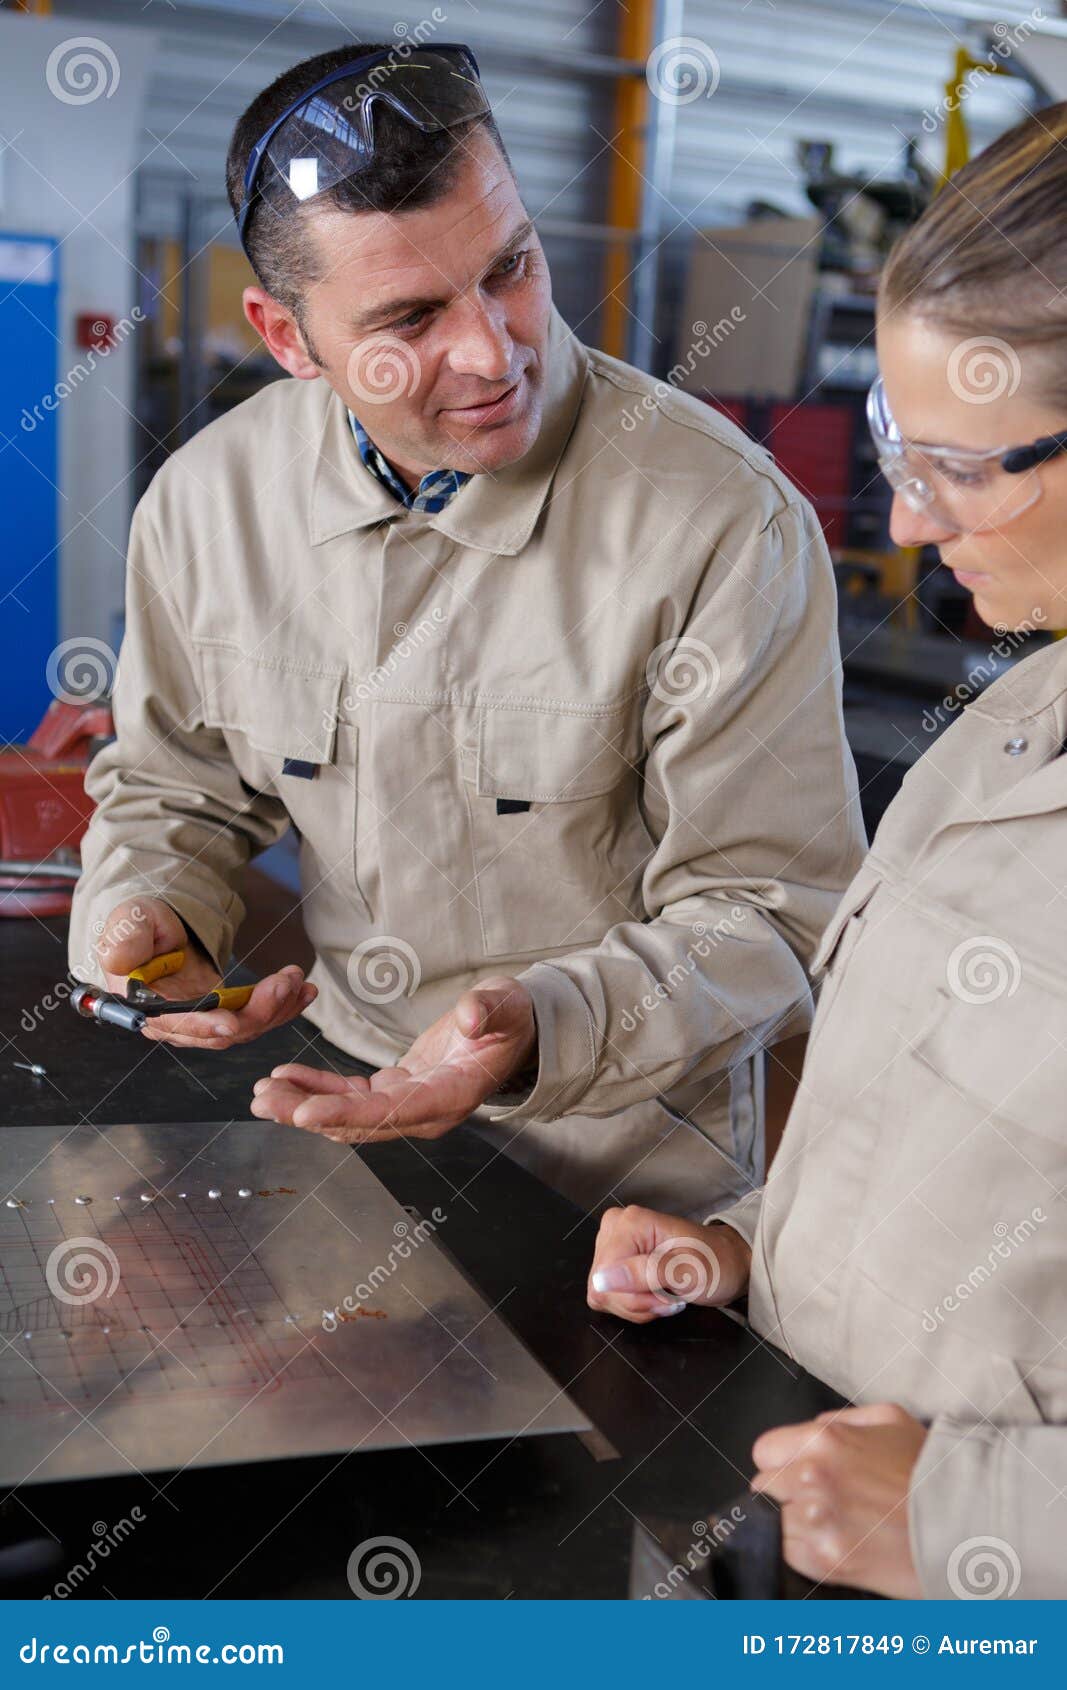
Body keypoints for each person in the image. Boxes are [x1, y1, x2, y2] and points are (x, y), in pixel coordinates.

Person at [69, 42, 863, 1220]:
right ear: (287, 338)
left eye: (512, 268)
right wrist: (152, 915)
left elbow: (773, 910)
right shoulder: (205, 506)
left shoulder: (720, 524)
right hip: (344, 1109)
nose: (494, 351)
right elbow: (173, 786)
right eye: (410, 317)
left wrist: (538, 1023)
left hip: (637, 1167)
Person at [587, 102, 1067, 1600]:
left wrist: (966, 1516)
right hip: (787, 1501)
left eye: (958, 467)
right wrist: (749, 1251)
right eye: (889, 449)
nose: (909, 518)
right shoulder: (1016, 708)